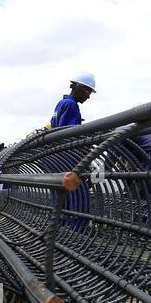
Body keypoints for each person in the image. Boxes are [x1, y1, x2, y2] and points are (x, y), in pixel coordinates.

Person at [48, 72, 97, 230]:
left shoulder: (61, 103)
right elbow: (68, 134)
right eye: (88, 91)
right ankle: (77, 233)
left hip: (58, 156)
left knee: (62, 198)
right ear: (78, 87)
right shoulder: (71, 105)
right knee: (79, 198)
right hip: (67, 157)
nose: (89, 96)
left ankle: (59, 230)